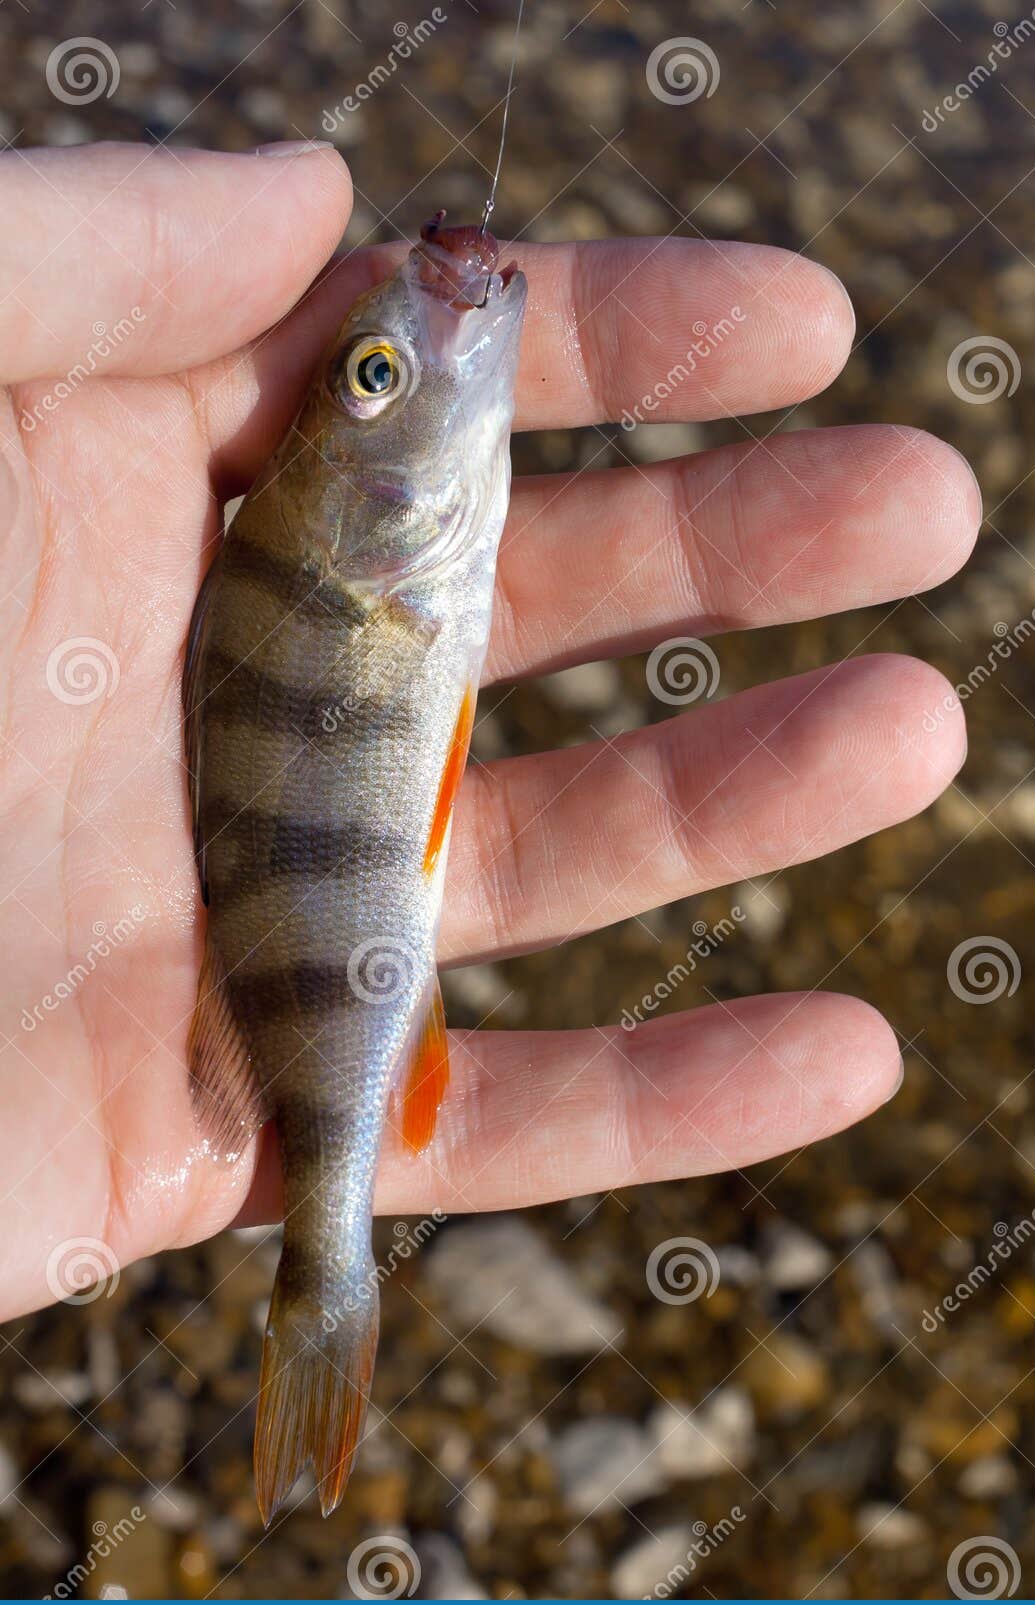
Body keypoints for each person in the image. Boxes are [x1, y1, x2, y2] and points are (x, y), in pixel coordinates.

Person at [0, 142, 978, 1320]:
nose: (432, 330)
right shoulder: (364, 565)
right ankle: (332, 1269)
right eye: (377, 373)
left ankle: (328, 1259)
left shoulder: (374, 553)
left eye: (373, 374)